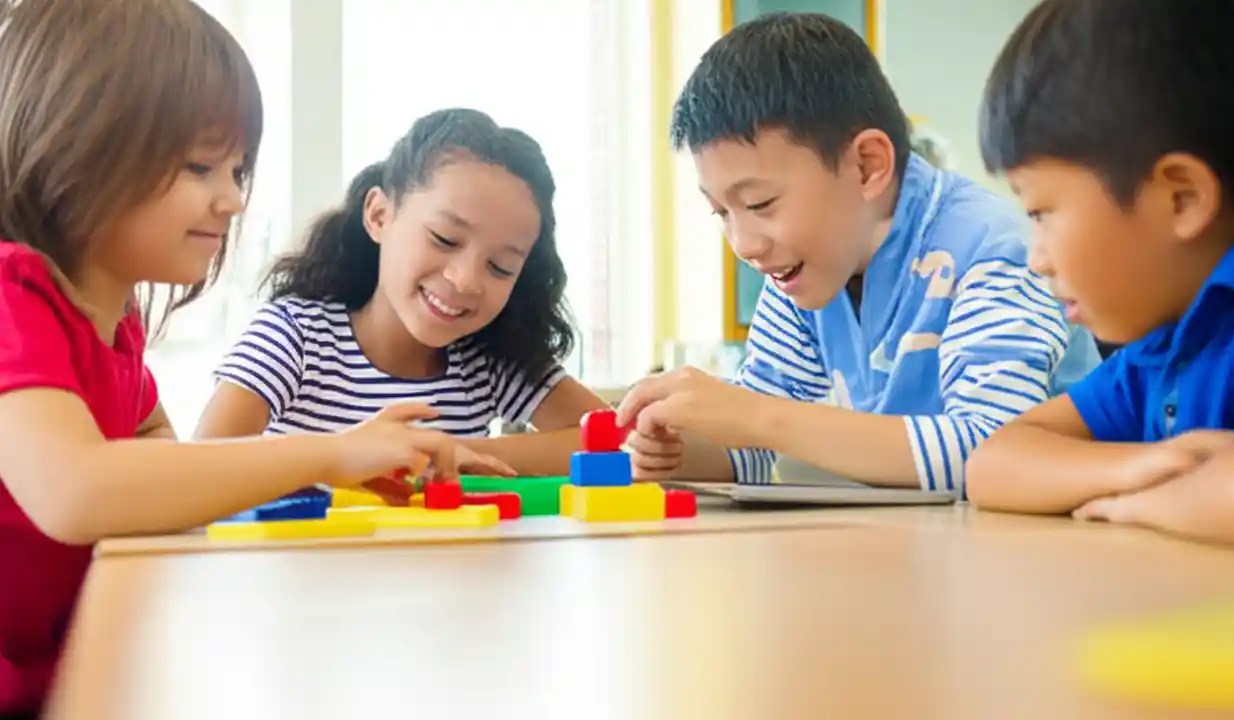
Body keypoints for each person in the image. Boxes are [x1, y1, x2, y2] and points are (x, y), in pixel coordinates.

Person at [0, 2, 505, 714]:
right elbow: (76, 490)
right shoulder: (12, 297)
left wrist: (327, 482)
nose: (233, 199)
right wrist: (331, 453)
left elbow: (156, 450)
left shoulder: (113, 325)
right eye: (200, 166)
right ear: (75, 148)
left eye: (237, 169)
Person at [617, 12, 1098, 492]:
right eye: (721, 212)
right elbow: (754, 448)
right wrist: (673, 452)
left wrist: (756, 416)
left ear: (867, 166)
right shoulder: (804, 274)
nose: (744, 245)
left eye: (760, 203)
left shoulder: (993, 250)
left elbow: (994, 453)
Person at [965, 0, 1234, 549]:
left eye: (1040, 213)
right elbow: (992, 464)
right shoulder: (1166, 342)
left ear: (1181, 198)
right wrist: (1145, 465)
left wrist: (1142, 506)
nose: (1037, 259)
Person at [195, 109, 607, 476]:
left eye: (500, 267)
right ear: (379, 216)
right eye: (445, 239)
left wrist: (455, 451)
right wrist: (347, 457)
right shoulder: (297, 336)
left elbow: (612, 442)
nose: (465, 280)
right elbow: (204, 464)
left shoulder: (488, 359)